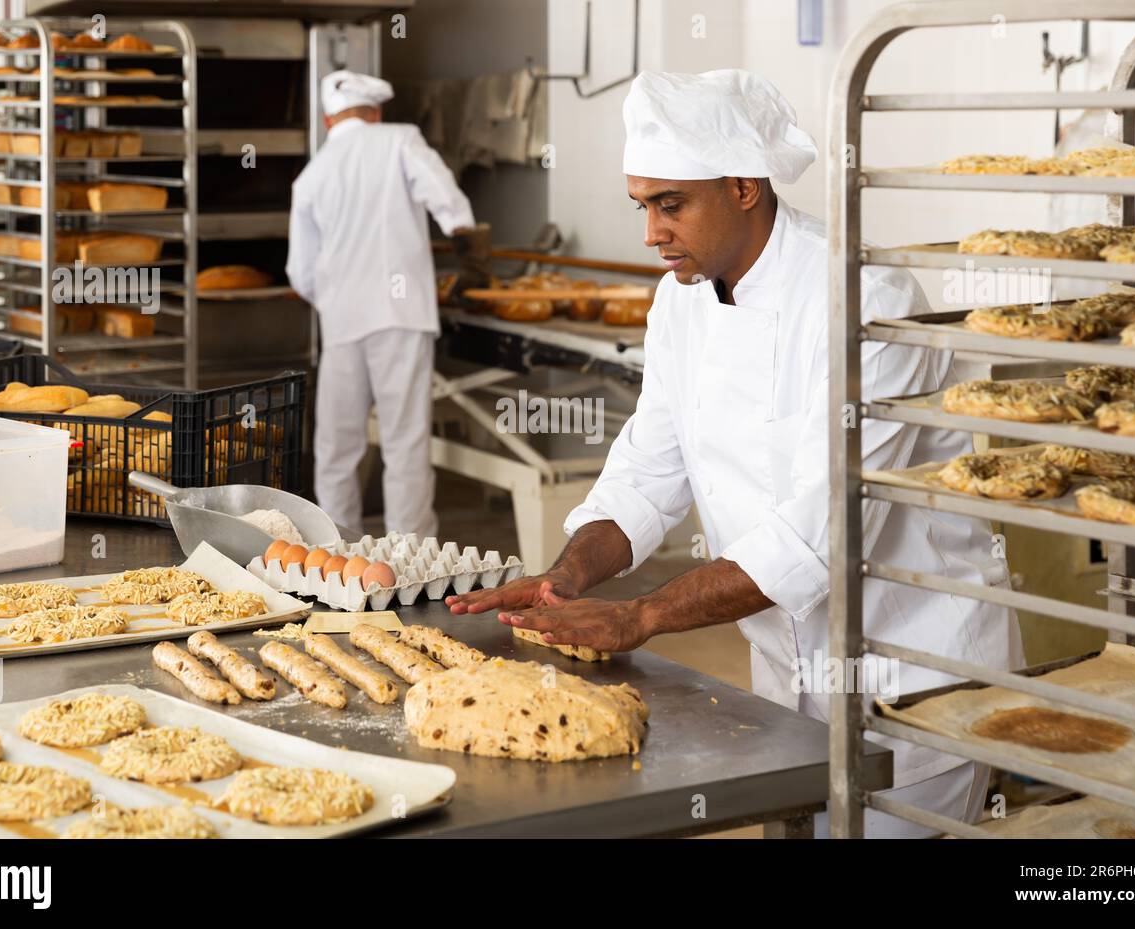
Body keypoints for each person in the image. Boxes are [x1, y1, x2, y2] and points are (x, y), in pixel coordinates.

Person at [446, 69, 1024, 838]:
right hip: (784, 687)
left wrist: (640, 616)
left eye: (670, 204)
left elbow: (812, 541)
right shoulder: (681, 299)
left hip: (912, 675)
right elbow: (645, 476)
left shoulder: (866, 297)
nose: (650, 232)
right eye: (643, 205)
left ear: (745, 186)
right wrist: (565, 576)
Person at [287, 70, 489, 537]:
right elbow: (449, 203)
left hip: (340, 324)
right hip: (402, 317)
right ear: (376, 113)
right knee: (405, 443)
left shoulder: (311, 176)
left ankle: (336, 553)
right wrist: (472, 256)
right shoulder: (400, 139)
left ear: (327, 119)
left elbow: (301, 271)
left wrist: (336, 298)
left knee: (338, 446)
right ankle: (409, 556)